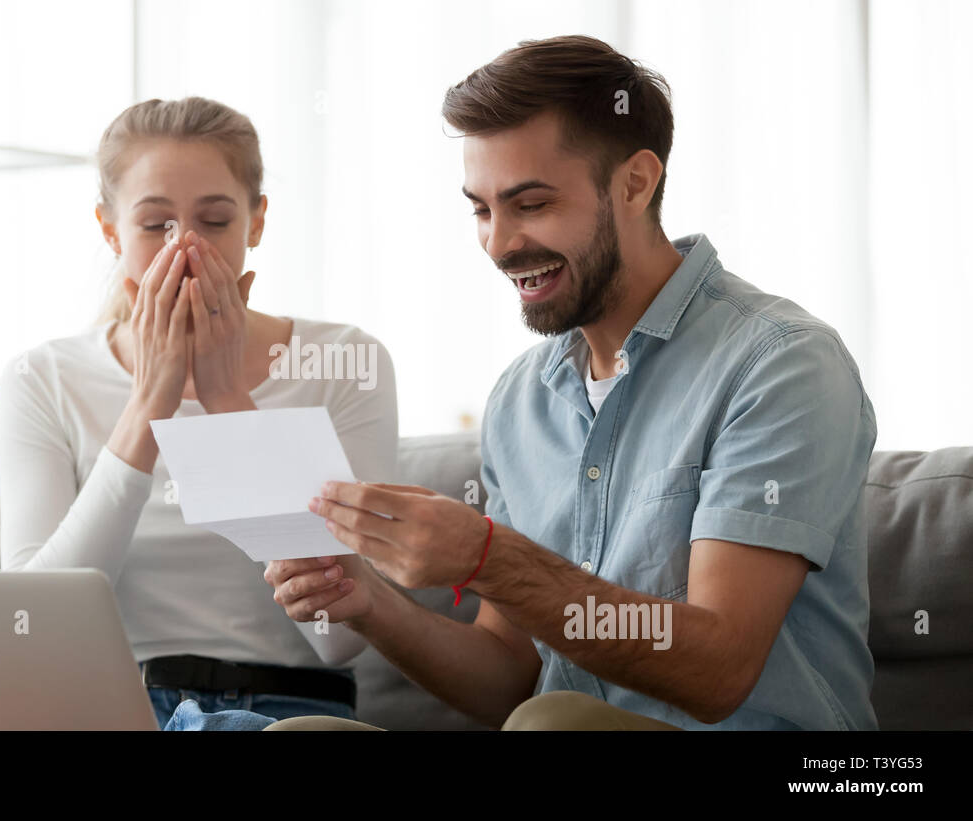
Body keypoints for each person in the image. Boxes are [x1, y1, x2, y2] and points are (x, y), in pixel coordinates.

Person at [264, 35, 877, 731]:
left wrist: (487, 556)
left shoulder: (780, 364)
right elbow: (507, 680)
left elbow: (720, 668)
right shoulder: (520, 401)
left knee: (555, 722)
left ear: (635, 183)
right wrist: (368, 600)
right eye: (481, 209)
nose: (498, 244)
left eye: (530, 204)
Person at [0, 97, 397, 730]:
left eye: (214, 220)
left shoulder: (343, 361)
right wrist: (149, 404)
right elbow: (32, 628)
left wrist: (227, 407)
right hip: (106, 710)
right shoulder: (42, 378)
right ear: (109, 229)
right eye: (155, 225)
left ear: (256, 222)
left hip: (286, 712)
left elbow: (339, 634)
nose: (184, 249)